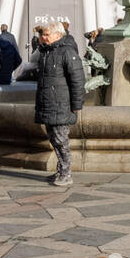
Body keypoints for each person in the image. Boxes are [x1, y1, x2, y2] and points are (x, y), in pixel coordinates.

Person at [31, 20, 86, 186]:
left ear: (57, 35)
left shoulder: (67, 52)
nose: (43, 37)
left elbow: (77, 80)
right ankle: (61, 170)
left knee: (61, 140)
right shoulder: (45, 52)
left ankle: (66, 172)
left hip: (61, 104)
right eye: (42, 35)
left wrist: (76, 105)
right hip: (49, 103)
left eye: (47, 35)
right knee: (54, 140)